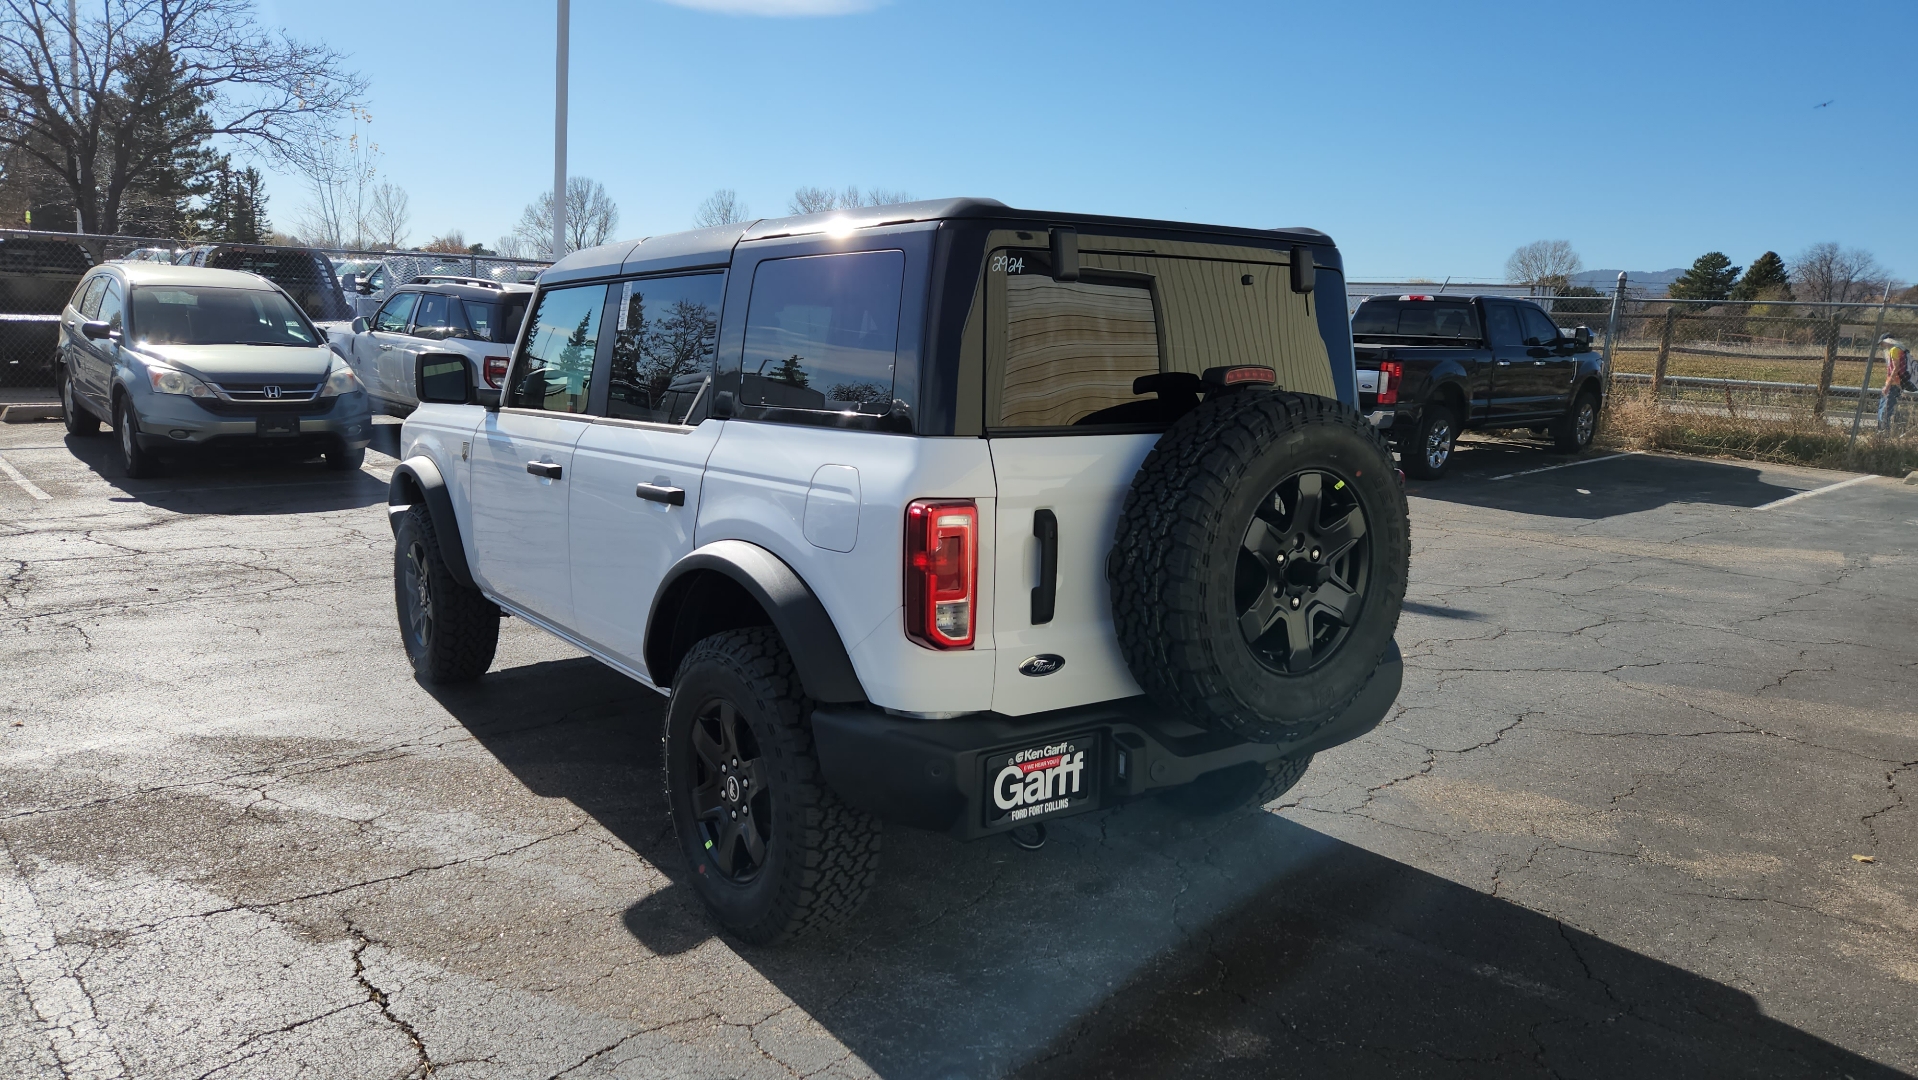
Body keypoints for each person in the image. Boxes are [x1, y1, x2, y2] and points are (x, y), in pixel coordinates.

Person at [1881, 338, 1914, 436]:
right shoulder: (1902, 350)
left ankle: (1884, 432)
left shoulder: (1893, 350)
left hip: (1894, 383)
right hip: (1900, 382)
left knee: (1886, 409)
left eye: (1882, 343)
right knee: (1892, 407)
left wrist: (1888, 384)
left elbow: (1895, 368)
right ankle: (1890, 430)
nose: (1882, 346)